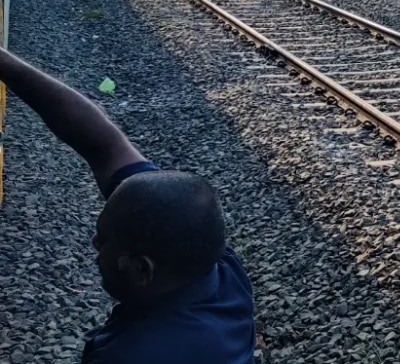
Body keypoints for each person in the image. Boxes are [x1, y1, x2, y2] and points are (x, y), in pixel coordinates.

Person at [0, 47, 255, 362]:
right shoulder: (220, 272)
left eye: (104, 241)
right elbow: (104, 146)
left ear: (142, 268)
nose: (95, 243)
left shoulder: (134, 355)